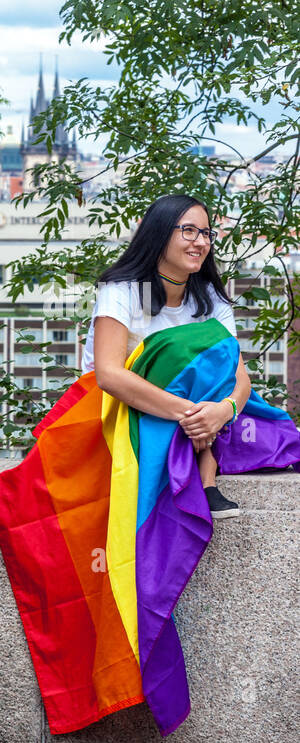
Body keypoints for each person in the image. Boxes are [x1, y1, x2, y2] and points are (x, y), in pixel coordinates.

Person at [84, 194, 249, 517]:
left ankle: (206, 480)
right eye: (188, 231)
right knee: (173, 351)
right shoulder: (122, 291)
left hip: (200, 412)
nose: (200, 242)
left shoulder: (212, 299)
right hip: (120, 410)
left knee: (216, 356)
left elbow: (238, 376)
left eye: (206, 233)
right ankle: (200, 481)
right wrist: (194, 416)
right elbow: (108, 375)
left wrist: (223, 411)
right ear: (159, 233)